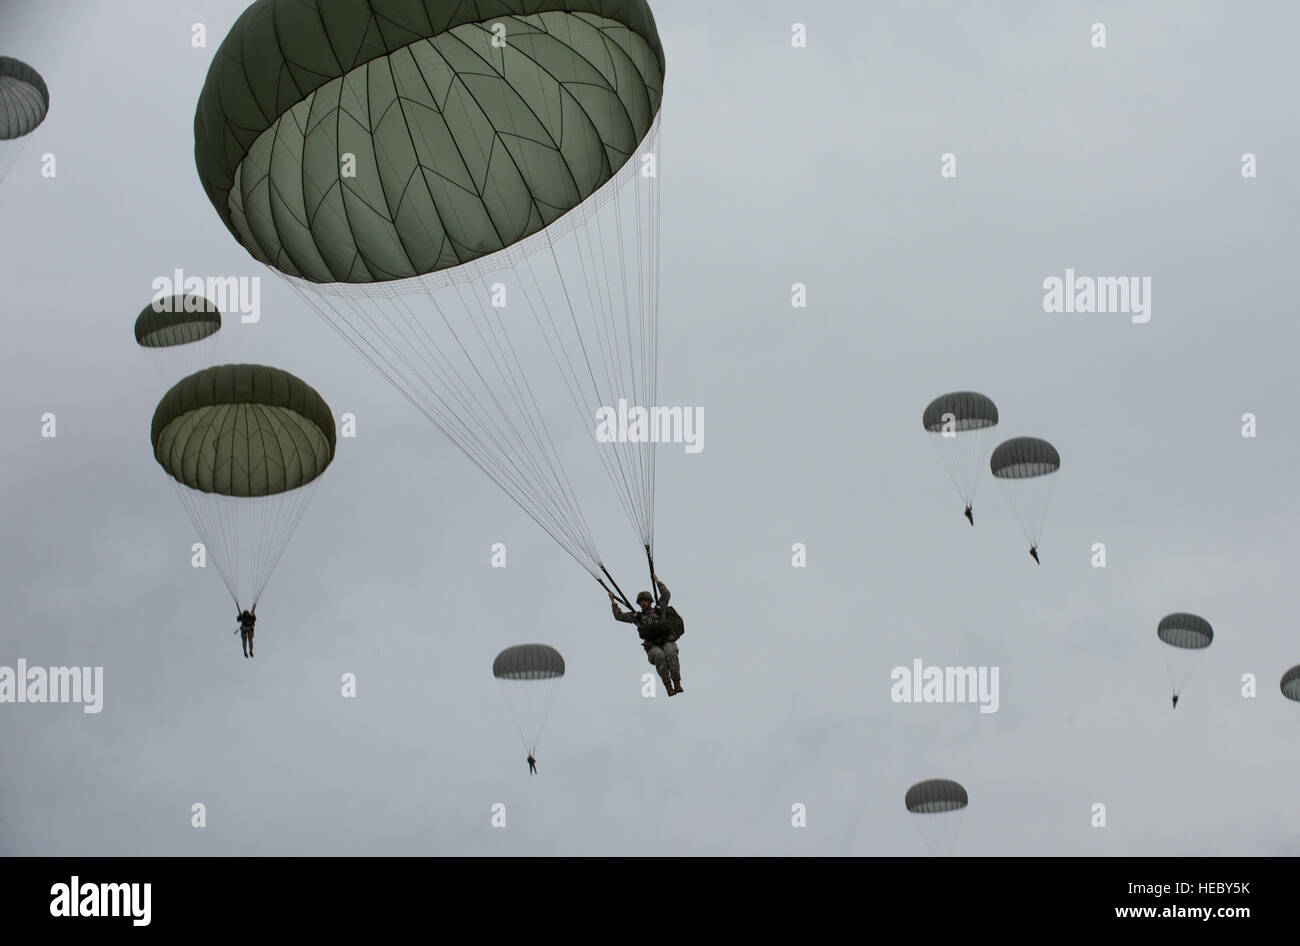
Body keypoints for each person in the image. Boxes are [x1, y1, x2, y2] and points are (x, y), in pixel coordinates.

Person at [610, 575, 683, 696]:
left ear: (650, 601)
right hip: (652, 645)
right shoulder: (637, 617)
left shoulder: (659, 610)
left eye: (645, 600)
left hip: (666, 640)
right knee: (659, 656)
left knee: (670, 652)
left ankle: (677, 683)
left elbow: (666, 594)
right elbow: (619, 616)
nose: (643, 603)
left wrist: (657, 581)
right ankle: (668, 686)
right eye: (641, 601)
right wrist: (613, 601)